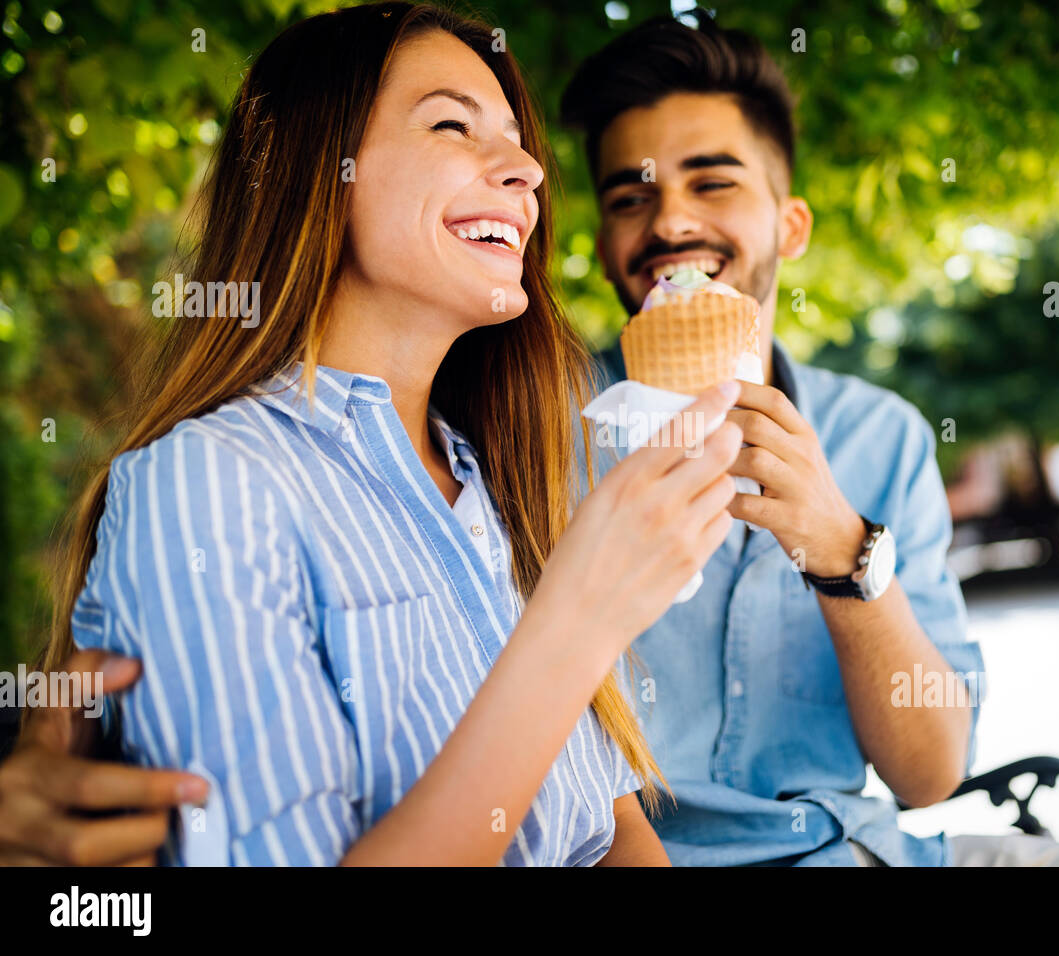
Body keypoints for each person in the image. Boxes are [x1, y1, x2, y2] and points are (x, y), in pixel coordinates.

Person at [0, 1, 745, 866]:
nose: (526, 172)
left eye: (517, 142)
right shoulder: (204, 484)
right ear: (320, 170)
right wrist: (581, 617)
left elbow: (614, 832)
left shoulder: (509, 482)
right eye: (453, 126)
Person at [558, 12, 1059, 866]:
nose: (669, 222)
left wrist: (845, 551)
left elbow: (932, 773)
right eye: (630, 197)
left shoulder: (881, 437)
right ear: (608, 244)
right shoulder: (537, 429)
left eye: (713, 182)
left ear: (791, 225)